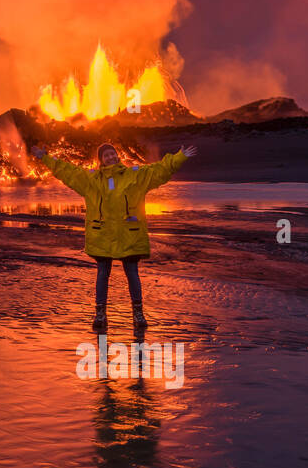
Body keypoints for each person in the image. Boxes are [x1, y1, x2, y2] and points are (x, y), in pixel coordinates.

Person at [29, 141, 196, 333]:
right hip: (103, 235)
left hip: (129, 235)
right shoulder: (91, 179)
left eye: (113, 153)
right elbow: (68, 171)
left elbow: (158, 171)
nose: (111, 157)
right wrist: (45, 157)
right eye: (106, 155)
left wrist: (179, 157)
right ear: (100, 160)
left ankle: (138, 314)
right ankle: (100, 314)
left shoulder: (134, 175)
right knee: (102, 274)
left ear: (117, 156)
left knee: (132, 273)